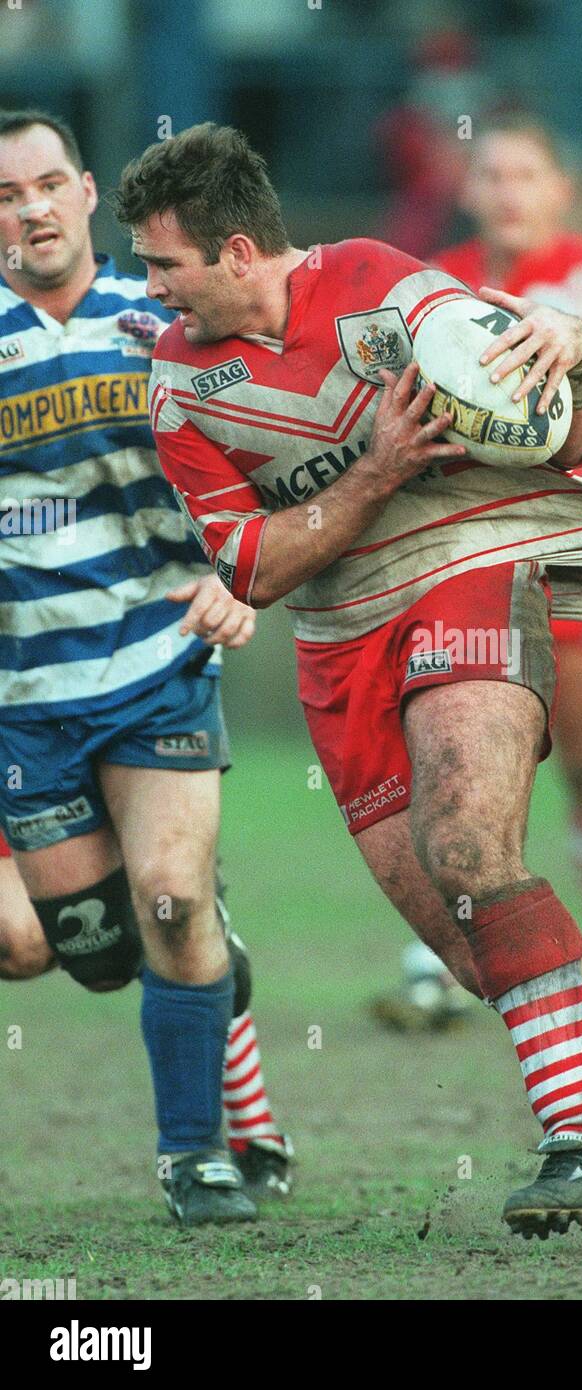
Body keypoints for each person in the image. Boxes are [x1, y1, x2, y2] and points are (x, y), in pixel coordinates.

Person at [115, 121, 582, 1240]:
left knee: (471, 852)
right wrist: (367, 478)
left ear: (242, 251)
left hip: (468, 570)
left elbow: (552, 425)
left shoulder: (379, 283)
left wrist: (563, 348)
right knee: (473, 949)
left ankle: (581, 1139)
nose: (149, 285)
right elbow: (252, 566)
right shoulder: (179, 385)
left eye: (166, 263)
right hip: (337, 640)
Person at [0, 109, 291, 1225]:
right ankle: (217, 962)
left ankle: (191, 1157)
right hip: (28, 700)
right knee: (91, 952)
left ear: (84, 195)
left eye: (47, 183)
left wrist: (244, 572)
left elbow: (276, 446)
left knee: (170, 897)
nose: (29, 207)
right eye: (6, 193)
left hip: (157, 661)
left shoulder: (165, 314)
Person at [426, 117, 582, 1015]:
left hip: (577, 558)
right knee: (459, 755)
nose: (507, 190)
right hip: (468, 562)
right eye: (491, 172)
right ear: (468, 188)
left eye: (525, 172)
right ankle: (453, 948)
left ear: (560, 188)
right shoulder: (437, 291)